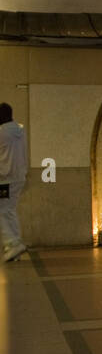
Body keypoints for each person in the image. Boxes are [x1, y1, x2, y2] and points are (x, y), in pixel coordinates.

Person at [0, 103, 29, 263]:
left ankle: (12, 244)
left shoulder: (2, 133)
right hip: (18, 177)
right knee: (9, 210)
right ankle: (15, 248)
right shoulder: (20, 130)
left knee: (2, 211)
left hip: (5, 179)